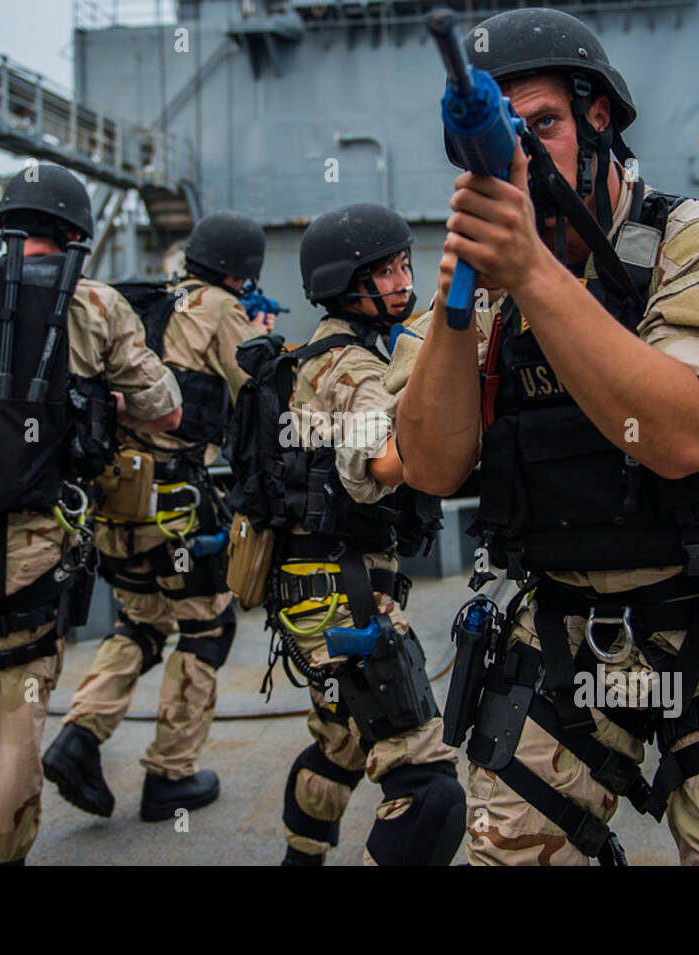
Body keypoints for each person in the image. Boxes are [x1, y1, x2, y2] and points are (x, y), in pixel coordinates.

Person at [396, 7, 699, 866]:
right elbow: (429, 463)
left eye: (545, 126)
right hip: (567, 623)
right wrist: (462, 306)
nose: (526, 157)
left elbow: (682, 435)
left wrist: (533, 273)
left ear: (598, 120)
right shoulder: (483, 286)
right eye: (507, 139)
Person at [0, 164, 183, 865]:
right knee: (16, 713)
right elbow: (167, 408)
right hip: (24, 542)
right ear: (76, 231)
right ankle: (2, 855)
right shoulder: (96, 304)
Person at [241, 203, 464, 866]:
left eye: (404, 265)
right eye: (384, 271)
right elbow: (380, 459)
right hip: (346, 598)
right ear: (345, 282)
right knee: (429, 787)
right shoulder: (358, 370)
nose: (402, 280)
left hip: (311, 587)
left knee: (339, 742)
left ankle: (299, 858)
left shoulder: (317, 354)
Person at [42, 210, 265, 822]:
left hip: (113, 499)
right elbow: (255, 389)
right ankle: (171, 774)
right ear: (243, 269)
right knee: (206, 628)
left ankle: (77, 737)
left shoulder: (143, 302)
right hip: (174, 502)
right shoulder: (222, 307)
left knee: (139, 623)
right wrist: (265, 341)